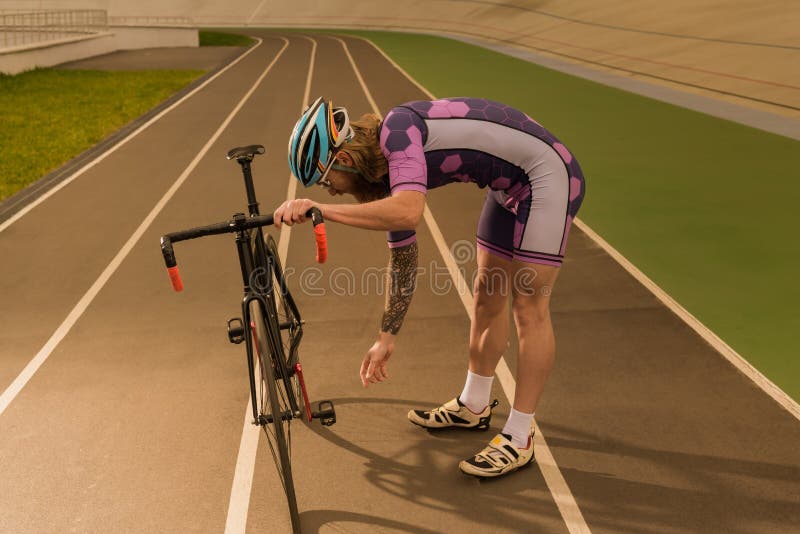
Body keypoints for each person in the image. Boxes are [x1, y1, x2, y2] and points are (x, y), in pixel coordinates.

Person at [275, 96, 585, 478]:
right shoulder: (386, 178)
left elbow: (409, 211)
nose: (331, 191)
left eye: (325, 181)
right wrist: (386, 336)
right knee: (486, 296)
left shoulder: (398, 130)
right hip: (510, 185)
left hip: (548, 174)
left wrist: (322, 211)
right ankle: (474, 405)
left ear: (345, 160)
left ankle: (520, 436)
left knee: (528, 308)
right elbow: (403, 258)